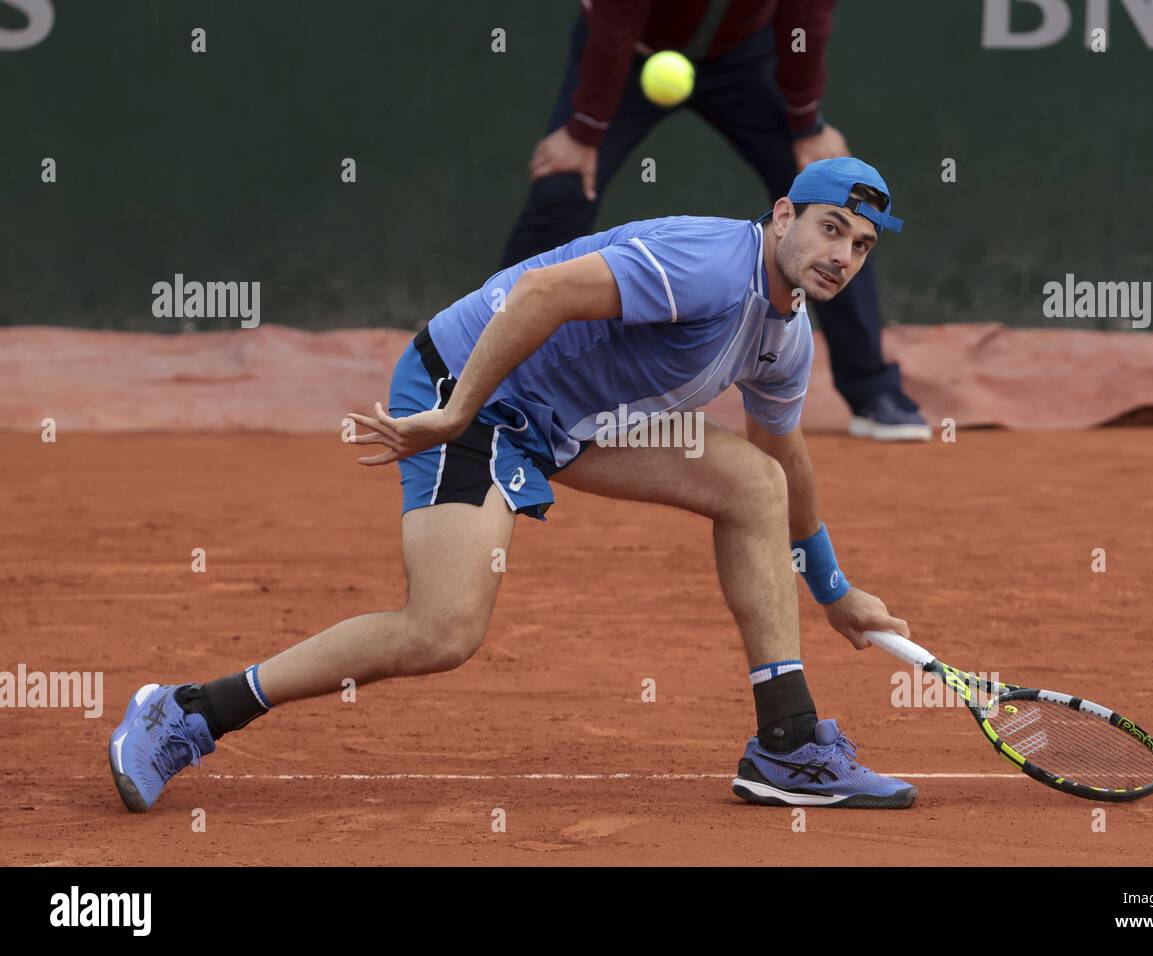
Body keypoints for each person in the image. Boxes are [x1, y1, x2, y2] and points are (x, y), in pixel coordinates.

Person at [108, 157, 919, 813]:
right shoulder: (708, 265)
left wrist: (833, 587)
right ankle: (186, 712)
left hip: (562, 417)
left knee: (754, 484)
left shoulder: (786, 336)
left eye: (861, 246)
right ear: (784, 216)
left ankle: (787, 744)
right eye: (830, 229)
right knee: (442, 630)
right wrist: (458, 409)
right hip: (468, 390)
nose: (841, 256)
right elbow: (545, 292)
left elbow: (786, 456)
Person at [501, 0, 931, 441]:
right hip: (629, 51)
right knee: (564, 184)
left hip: (741, 57)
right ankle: (488, 348)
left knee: (837, 198)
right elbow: (615, 19)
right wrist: (584, 130)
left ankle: (872, 390)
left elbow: (806, 17)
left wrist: (806, 123)